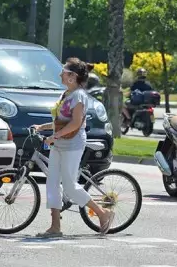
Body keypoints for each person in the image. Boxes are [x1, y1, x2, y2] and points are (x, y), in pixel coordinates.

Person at [32, 57, 115, 237]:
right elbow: (62, 121)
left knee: (69, 186)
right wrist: (44, 128)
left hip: (72, 144)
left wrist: (54, 136)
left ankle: (102, 213)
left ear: (72, 76)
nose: (60, 74)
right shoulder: (66, 94)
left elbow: (76, 123)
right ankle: (55, 227)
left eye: (64, 71)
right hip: (60, 142)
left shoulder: (79, 96)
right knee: (52, 183)